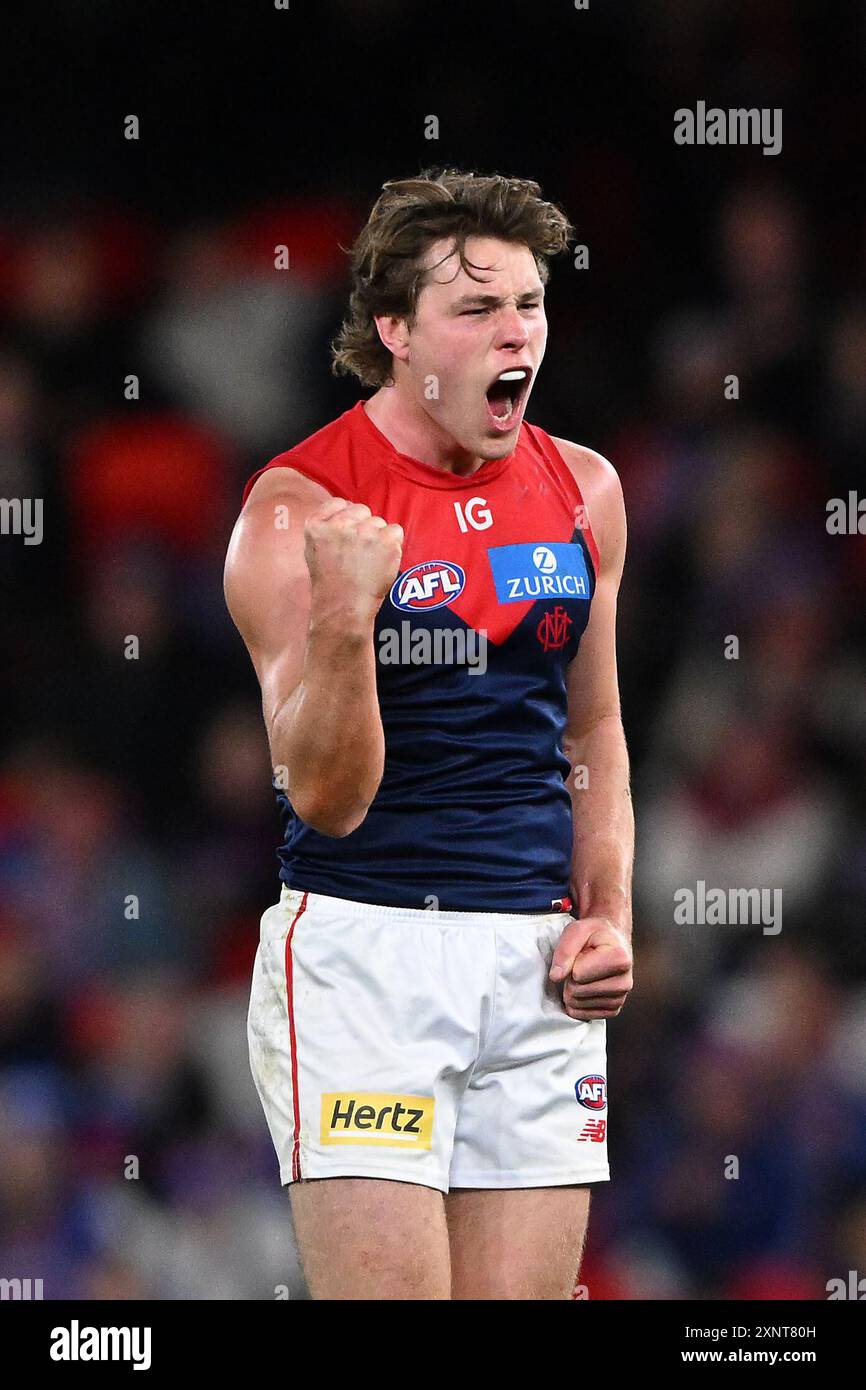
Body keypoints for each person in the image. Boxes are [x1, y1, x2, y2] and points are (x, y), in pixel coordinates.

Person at [223, 167, 634, 1299]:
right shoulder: (297, 509)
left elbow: (593, 726)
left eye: (530, 304)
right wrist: (349, 617)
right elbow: (326, 798)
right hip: (366, 955)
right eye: (477, 308)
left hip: (533, 961)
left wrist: (606, 913)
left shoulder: (581, 489)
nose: (517, 333)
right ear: (397, 332)